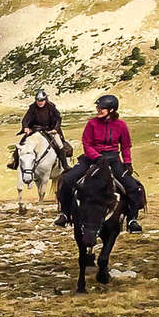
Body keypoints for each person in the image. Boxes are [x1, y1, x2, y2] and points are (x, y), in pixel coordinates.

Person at [55, 94, 146, 232]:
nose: (98, 109)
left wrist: (127, 162)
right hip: (91, 158)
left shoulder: (121, 125)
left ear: (111, 110)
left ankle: (132, 219)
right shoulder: (91, 124)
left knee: (133, 187)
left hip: (113, 159)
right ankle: (65, 214)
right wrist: (97, 157)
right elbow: (87, 144)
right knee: (67, 180)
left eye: (101, 108)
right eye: (98, 107)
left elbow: (126, 146)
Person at [8, 89, 71, 168]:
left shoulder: (51, 107)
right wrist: (26, 127)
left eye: (42, 100)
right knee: (21, 144)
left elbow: (58, 118)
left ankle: (65, 165)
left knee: (60, 145)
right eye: (38, 100)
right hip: (35, 129)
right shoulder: (32, 107)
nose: (40, 102)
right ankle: (15, 163)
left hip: (49, 129)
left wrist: (55, 129)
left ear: (45, 100)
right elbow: (25, 119)